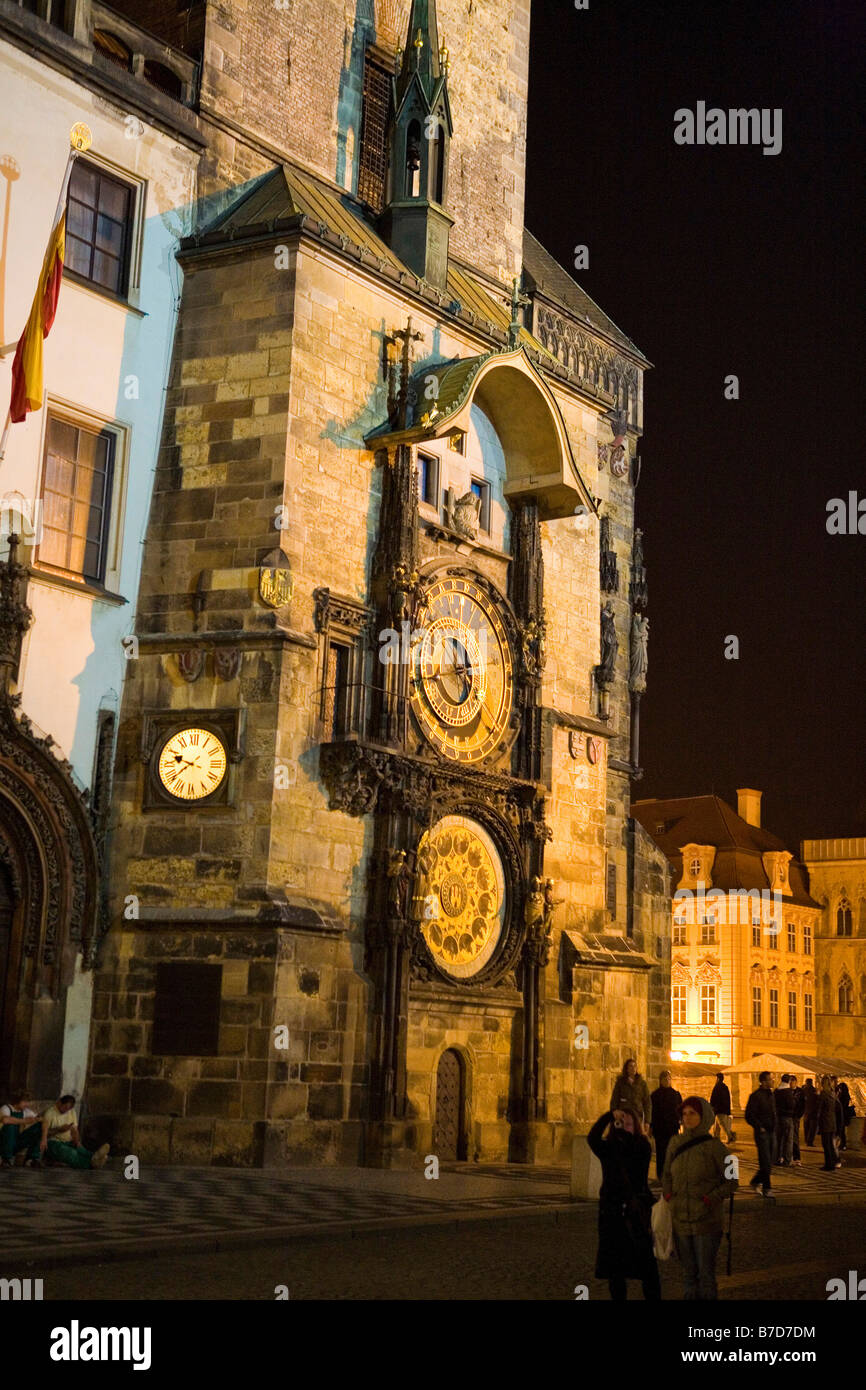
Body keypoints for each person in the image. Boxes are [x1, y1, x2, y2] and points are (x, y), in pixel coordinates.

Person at [662, 1096, 736, 1300]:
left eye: (692, 1113)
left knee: (705, 1275)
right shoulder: (675, 1142)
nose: (687, 1117)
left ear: (703, 1116)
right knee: (688, 1274)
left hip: (707, 1222)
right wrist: (669, 1195)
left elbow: (733, 1180)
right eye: (684, 1114)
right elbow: (666, 1173)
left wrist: (709, 1199)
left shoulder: (716, 1147)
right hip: (681, 1220)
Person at [587, 1104, 660, 1301]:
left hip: (635, 1211)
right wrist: (608, 1116)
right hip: (612, 1212)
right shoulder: (609, 1147)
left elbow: (634, 1161)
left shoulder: (642, 1146)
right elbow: (592, 1138)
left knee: (647, 1268)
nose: (625, 1127)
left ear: (636, 1126)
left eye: (629, 1124)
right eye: (621, 1123)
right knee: (615, 1271)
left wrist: (622, 1137)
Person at [40, 1095, 109, 1170]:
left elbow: (74, 1129)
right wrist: (59, 1130)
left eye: (68, 1109)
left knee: (81, 1150)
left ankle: (95, 1157)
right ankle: (90, 1164)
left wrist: (77, 1141)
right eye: (65, 1107)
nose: (66, 1110)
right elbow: (44, 1133)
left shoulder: (71, 1112)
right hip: (54, 1142)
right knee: (71, 1153)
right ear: (60, 1103)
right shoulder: (50, 1113)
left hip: (68, 1141)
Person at [744, 1071, 776, 1197]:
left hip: (772, 1132)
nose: (773, 1081)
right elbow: (749, 1115)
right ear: (763, 1082)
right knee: (765, 1162)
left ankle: (755, 1181)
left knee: (771, 1160)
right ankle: (767, 1188)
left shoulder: (771, 1095)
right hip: (762, 1133)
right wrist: (759, 1126)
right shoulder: (755, 1096)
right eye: (770, 1079)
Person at [650, 1070, 682, 1179]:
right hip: (660, 1129)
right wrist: (650, 1127)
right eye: (665, 1079)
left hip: (672, 1128)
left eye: (669, 1078)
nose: (667, 1081)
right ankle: (661, 1175)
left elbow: (680, 1110)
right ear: (660, 1080)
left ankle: (671, 1174)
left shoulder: (676, 1094)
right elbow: (652, 1113)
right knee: (661, 1153)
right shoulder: (655, 1095)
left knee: (672, 1152)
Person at [0, 1093, 43, 1167]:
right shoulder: (6, 1108)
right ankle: (6, 1159)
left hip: (15, 1142)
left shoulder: (25, 1111)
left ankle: (32, 1159)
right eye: (24, 1102)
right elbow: (5, 1120)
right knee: (10, 1125)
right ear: (17, 1100)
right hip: (3, 1142)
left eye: (28, 1102)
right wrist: (24, 1121)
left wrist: (44, 1137)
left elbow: (43, 1120)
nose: (27, 1104)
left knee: (39, 1127)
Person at [610, 1058, 651, 1132]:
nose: (633, 1068)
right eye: (630, 1066)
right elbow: (615, 1098)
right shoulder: (621, 1083)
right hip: (624, 1115)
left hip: (637, 1115)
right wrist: (614, 1111)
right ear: (627, 1069)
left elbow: (647, 1103)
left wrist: (647, 1121)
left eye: (635, 1066)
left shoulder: (642, 1084)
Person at [817, 1075, 841, 1171]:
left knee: (826, 1144)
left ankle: (828, 1164)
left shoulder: (824, 1094)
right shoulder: (833, 1094)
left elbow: (819, 1109)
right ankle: (832, 1162)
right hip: (832, 1122)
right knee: (830, 1144)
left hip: (825, 1122)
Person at [773, 1075, 796, 1166]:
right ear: (789, 1081)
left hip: (778, 1118)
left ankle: (776, 1158)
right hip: (787, 1118)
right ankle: (787, 1160)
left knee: (778, 1139)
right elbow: (791, 1105)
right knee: (788, 1140)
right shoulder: (788, 1092)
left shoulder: (776, 1091)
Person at [709, 1072, 735, 1142]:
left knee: (722, 1124)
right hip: (724, 1109)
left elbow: (713, 1099)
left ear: (717, 1078)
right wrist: (728, 1110)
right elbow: (728, 1099)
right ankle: (716, 1139)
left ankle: (730, 1136)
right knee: (716, 1126)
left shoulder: (717, 1087)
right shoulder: (725, 1087)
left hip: (718, 1109)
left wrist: (711, 1107)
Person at [835, 1079, 852, 1150]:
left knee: (841, 1131)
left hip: (842, 1116)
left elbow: (841, 1106)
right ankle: (842, 1144)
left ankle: (842, 1145)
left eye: (840, 1089)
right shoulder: (845, 1095)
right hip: (843, 1116)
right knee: (841, 1131)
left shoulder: (843, 1096)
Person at [791, 1077, 804, 1166]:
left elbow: (803, 1105)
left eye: (793, 1082)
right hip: (788, 1116)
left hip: (795, 1117)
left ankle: (797, 1157)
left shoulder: (800, 1092)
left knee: (795, 1137)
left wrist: (799, 1115)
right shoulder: (787, 1091)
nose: (791, 1083)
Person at [802, 1077, 819, 1147]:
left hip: (806, 1112)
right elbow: (817, 1101)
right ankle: (810, 1141)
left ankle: (807, 1140)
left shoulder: (803, 1090)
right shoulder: (814, 1090)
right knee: (812, 1128)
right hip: (813, 1112)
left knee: (806, 1127)